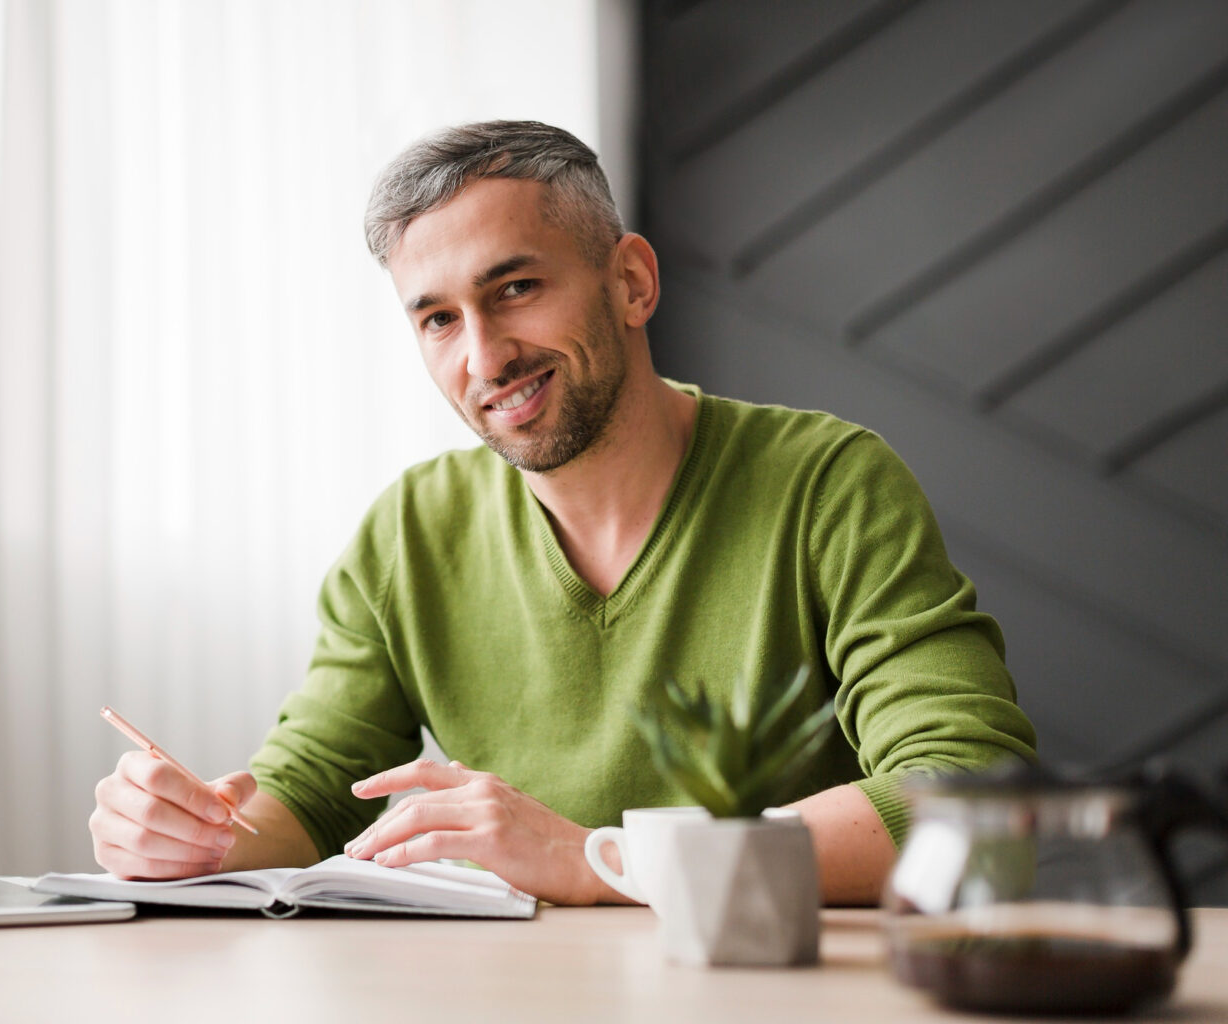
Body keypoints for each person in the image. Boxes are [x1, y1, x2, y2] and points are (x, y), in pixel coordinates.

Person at [89, 120, 1037, 906]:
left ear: (630, 281)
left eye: (515, 289)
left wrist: (602, 860)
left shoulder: (829, 484)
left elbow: (970, 791)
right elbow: (306, 788)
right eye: (438, 319)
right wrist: (200, 839)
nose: (485, 356)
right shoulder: (409, 532)